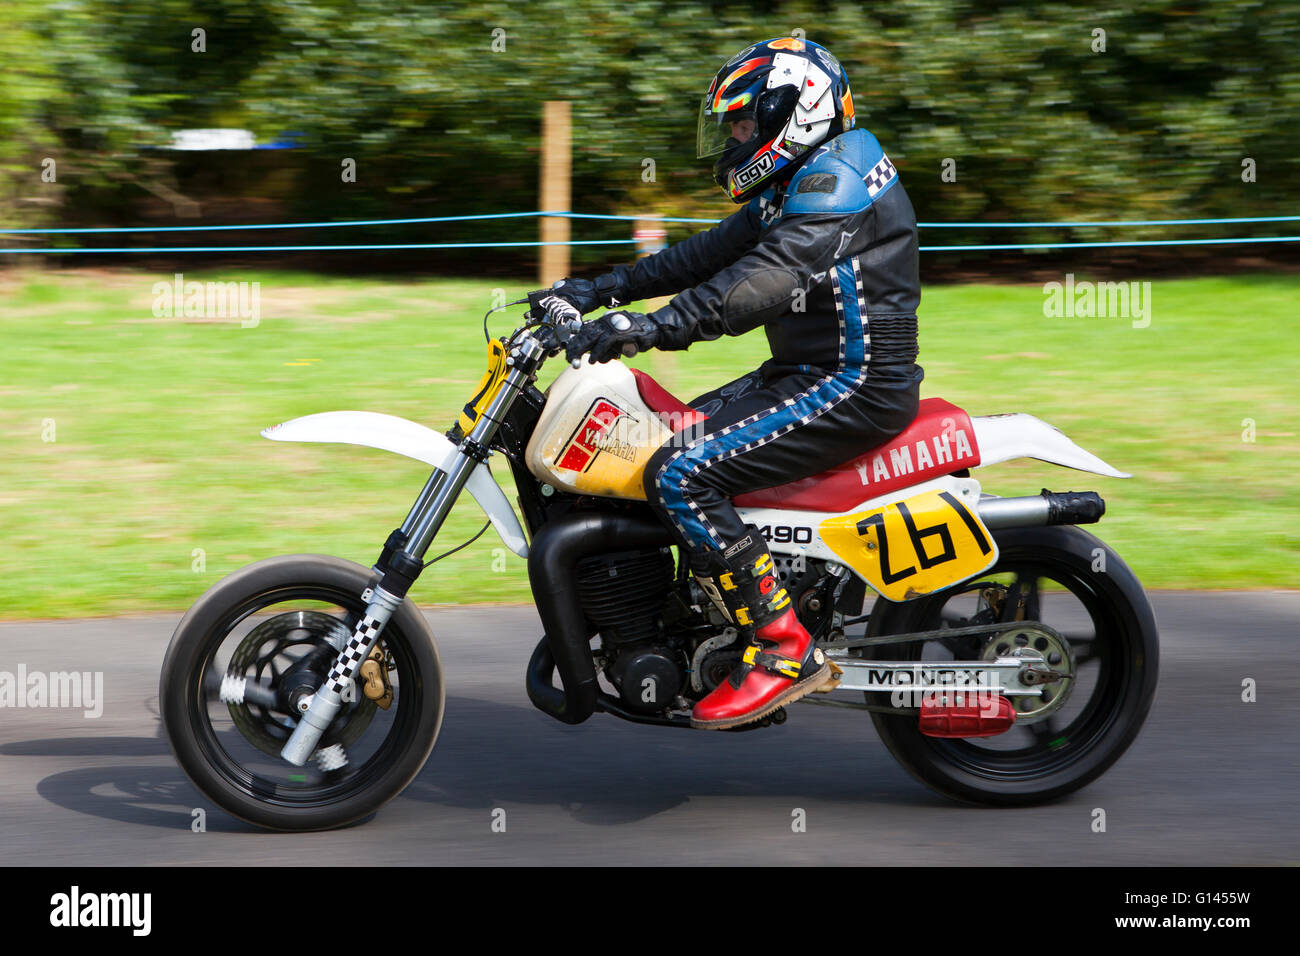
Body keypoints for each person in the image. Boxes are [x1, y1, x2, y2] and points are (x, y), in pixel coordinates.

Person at [549, 36, 923, 730]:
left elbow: (747, 290)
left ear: (795, 113)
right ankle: (697, 621)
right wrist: (601, 287)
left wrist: (644, 329)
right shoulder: (801, 178)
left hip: (856, 383)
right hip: (806, 374)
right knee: (653, 442)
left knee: (681, 472)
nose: (735, 138)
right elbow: (704, 256)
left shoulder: (835, 185)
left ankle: (783, 649)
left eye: (745, 123)